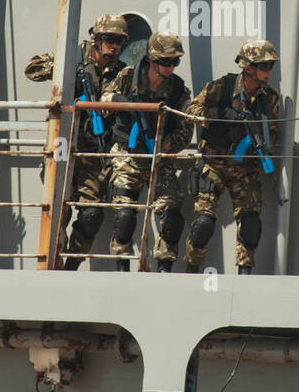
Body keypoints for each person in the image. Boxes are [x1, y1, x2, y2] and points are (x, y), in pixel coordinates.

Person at [24, 14, 128, 269]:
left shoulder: (123, 71)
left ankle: (71, 265)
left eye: (119, 41)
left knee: (91, 216)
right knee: (59, 210)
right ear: (96, 39)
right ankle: (52, 261)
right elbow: (31, 70)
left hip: (94, 151)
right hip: (63, 146)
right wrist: (64, 69)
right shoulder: (74, 57)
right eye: (109, 40)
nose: (114, 46)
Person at [186, 40, 283, 275]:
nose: (268, 72)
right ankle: (190, 270)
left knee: (251, 226)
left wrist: (256, 143)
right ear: (248, 67)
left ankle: (244, 278)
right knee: (203, 224)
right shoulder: (222, 87)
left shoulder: (269, 98)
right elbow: (191, 112)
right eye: (264, 66)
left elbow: (274, 133)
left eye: (271, 66)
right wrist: (221, 115)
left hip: (245, 169)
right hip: (214, 165)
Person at [101, 33, 193, 272]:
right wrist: (123, 102)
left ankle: (164, 267)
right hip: (127, 153)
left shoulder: (179, 90)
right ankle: (122, 266)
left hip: (159, 157)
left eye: (175, 62)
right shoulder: (128, 77)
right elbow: (103, 100)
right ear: (153, 60)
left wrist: (161, 144)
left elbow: (185, 133)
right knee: (124, 214)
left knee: (172, 215)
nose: (171, 67)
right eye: (166, 62)